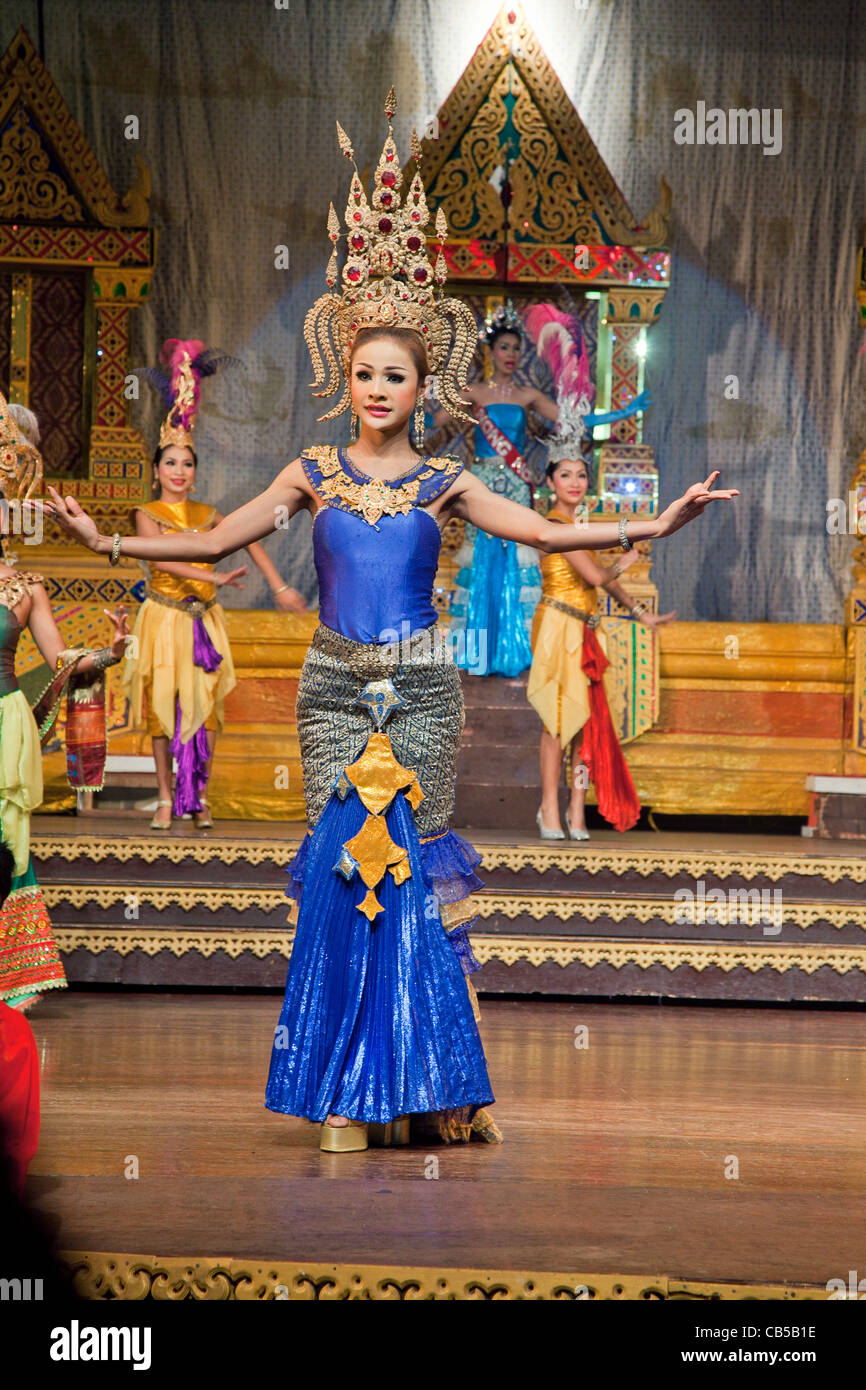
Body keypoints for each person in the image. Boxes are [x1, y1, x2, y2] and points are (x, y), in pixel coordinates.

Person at [43, 91, 736, 1152]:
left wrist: (662, 518)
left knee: (405, 876)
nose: (376, 386)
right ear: (344, 374)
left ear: (424, 384)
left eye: (395, 375)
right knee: (336, 869)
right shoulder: (311, 473)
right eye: (363, 371)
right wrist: (111, 546)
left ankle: (430, 1083)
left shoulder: (445, 481)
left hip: (416, 689)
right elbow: (216, 539)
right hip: (331, 689)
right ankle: (341, 1089)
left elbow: (549, 537)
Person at [128, 340, 307, 830]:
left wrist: (278, 585)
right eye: (171, 463)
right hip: (164, 617)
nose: (180, 472)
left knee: (204, 713)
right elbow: (167, 559)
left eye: (187, 464)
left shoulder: (209, 514)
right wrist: (214, 575)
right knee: (163, 711)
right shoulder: (147, 515)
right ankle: (166, 797)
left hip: (204, 620)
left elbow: (252, 540)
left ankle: (198, 797)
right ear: (157, 469)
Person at [524, 304, 674, 840]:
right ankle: (548, 807)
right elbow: (593, 573)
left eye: (582, 475)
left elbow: (605, 577)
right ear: (551, 481)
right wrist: (627, 551)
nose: (576, 482)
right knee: (554, 725)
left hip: (586, 628)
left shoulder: (581, 522)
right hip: (558, 625)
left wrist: (636, 609)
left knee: (587, 727)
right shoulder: (551, 523)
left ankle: (577, 812)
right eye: (566, 474)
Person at [0, 393, 129, 1009]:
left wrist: (111, 652)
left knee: (6, 838)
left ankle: (13, 978)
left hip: (2, 726)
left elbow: (60, 662)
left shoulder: (27, 588)